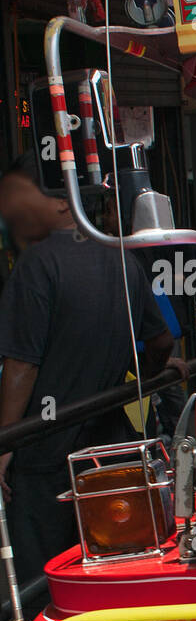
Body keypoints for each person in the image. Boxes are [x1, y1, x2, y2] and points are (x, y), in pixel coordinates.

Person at [0, 156, 174, 590]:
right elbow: (160, 343)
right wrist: (142, 376)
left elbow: (22, 366)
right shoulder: (120, 258)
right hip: (109, 448)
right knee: (114, 566)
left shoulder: (37, 266)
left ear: (64, 202)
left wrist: (5, 444)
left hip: (43, 453)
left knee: (43, 583)